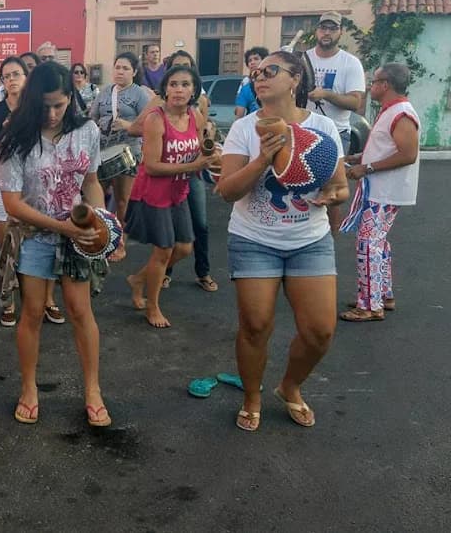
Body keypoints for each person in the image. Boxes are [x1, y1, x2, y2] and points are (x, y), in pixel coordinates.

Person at [216, 50, 349, 432]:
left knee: (320, 331)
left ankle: (289, 386)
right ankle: (252, 396)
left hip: (309, 238)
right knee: (255, 325)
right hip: (254, 238)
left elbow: (339, 186)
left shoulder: (322, 128)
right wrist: (262, 160)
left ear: (295, 80)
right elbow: (226, 191)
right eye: (256, 71)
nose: (260, 76)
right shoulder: (244, 130)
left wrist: (334, 197)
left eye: (271, 70)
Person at [0, 61, 111, 427]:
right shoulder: (16, 135)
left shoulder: (87, 131)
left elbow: (91, 181)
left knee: (80, 311)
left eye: (59, 105)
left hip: (78, 231)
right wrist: (62, 227)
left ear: (70, 99)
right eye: (44, 105)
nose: (51, 113)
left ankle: (92, 390)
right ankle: (29, 388)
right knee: (31, 312)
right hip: (35, 235)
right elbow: (13, 204)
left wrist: (102, 221)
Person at [125, 66, 219, 328]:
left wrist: (213, 154)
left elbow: (202, 148)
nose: (179, 89)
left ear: (193, 90)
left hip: (179, 191)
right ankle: (152, 306)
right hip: (154, 193)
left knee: (185, 248)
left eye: (185, 84)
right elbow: (153, 166)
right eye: (174, 84)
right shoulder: (155, 119)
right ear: (165, 88)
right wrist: (193, 167)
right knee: (163, 251)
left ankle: (138, 279)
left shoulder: (195, 115)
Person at [0, 57, 65, 328]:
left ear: (27, 77)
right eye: (5, 75)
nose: (10, 79)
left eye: (16, 73)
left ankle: (49, 299)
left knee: (50, 244)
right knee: (9, 247)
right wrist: (11, 145)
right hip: (4, 185)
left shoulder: (40, 109)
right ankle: (8, 299)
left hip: (39, 186)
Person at [339, 63, 420, 322]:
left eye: (373, 82)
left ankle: (369, 306)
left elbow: (408, 154)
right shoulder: (392, 111)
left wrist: (368, 167)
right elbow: (385, 149)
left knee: (368, 243)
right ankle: (381, 295)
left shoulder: (401, 113)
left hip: (384, 192)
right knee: (378, 243)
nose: (369, 86)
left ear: (385, 85)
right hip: (381, 190)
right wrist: (357, 158)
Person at [306, 11, 365, 233]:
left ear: (340, 32)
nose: (327, 32)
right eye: (323, 28)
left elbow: (355, 102)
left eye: (332, 28)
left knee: (332, 188)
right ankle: (303, 233)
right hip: (304, 130)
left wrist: (326, 94)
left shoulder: (350, 63)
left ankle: (328, 237)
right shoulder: (304, 59)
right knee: (301, 183)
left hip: (336, 134)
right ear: (317, 31)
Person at [90, 51, 149, 261]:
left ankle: (119, 242)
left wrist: (129, 125)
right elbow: (92, 119)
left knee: (122, 201)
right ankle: (102, 238)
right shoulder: (104, 92)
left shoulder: (140, 94)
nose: (120, 72)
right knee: (97, 197)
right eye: (117, 67)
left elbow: (149, 126)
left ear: (134, 71)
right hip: (102, 151)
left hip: (128, 152)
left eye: (125, 68)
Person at [234, 46, 269, 119]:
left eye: (256, 59)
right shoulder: (245, 84)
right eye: (249, 60)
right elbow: (239, 111)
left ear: (265, 61)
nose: (252, 62)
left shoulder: (275, 83)